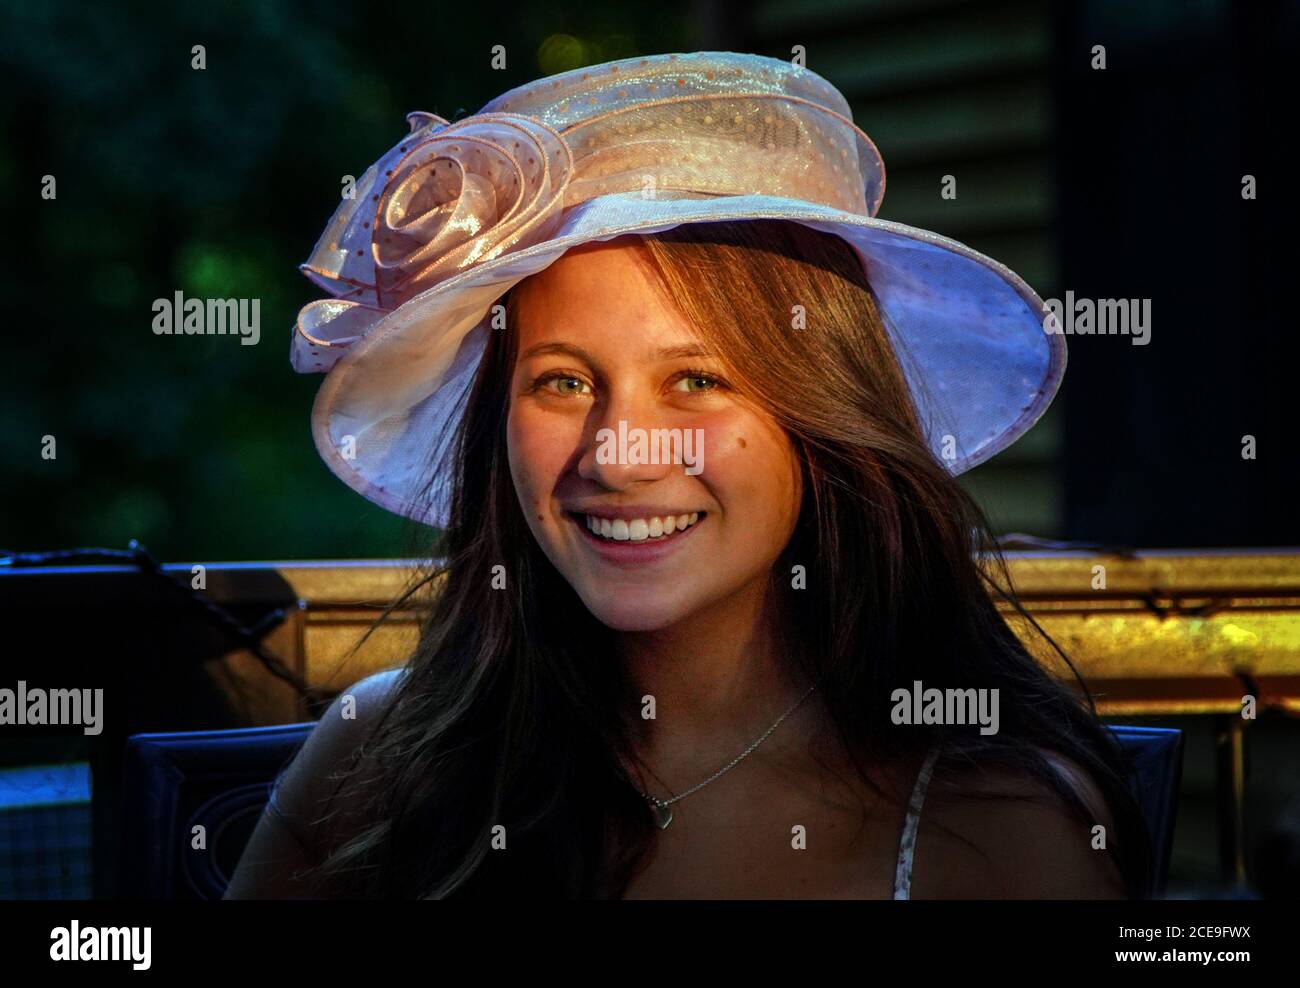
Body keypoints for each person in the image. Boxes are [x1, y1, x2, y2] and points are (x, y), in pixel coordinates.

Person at [226, 52, 1150, 899]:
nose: (620, 453)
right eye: (563, 381)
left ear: (821, 414)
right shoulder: (378, 756)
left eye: (698, 380)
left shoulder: (994, 830)